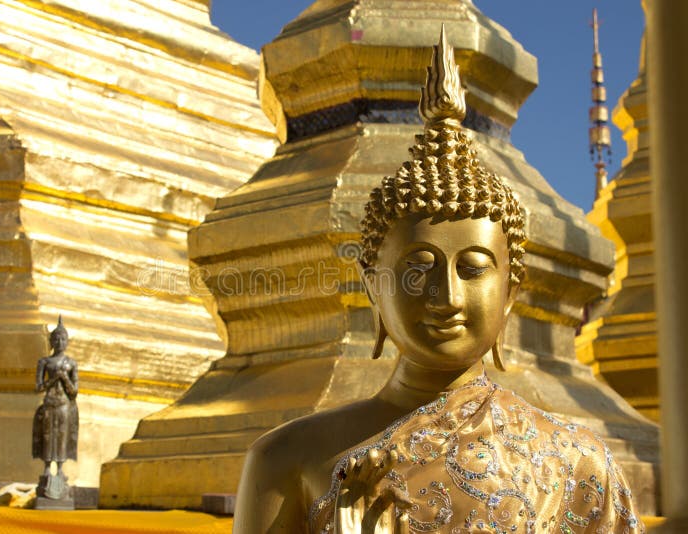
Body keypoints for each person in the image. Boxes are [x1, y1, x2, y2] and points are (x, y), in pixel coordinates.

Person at [233, 27, 643, 534]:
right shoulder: (288, 461)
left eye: (473, 269)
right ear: (372, 287)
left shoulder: (580, 466)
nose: (446, 296)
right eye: (417, 268)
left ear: (511, 292)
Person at [32, 316, 79, 478]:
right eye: (56, 339)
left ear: (67, 341)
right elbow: (38, 387)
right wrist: (53, 379)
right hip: (49, 402)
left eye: (63, 339)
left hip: (64, 404)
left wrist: (64, 377)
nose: (60, 342)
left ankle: (60, 468)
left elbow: (74, 391)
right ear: (51, 341)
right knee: (47, 435)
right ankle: (46, 467)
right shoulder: (44, 362)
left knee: (61, 435)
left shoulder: (71, 363)